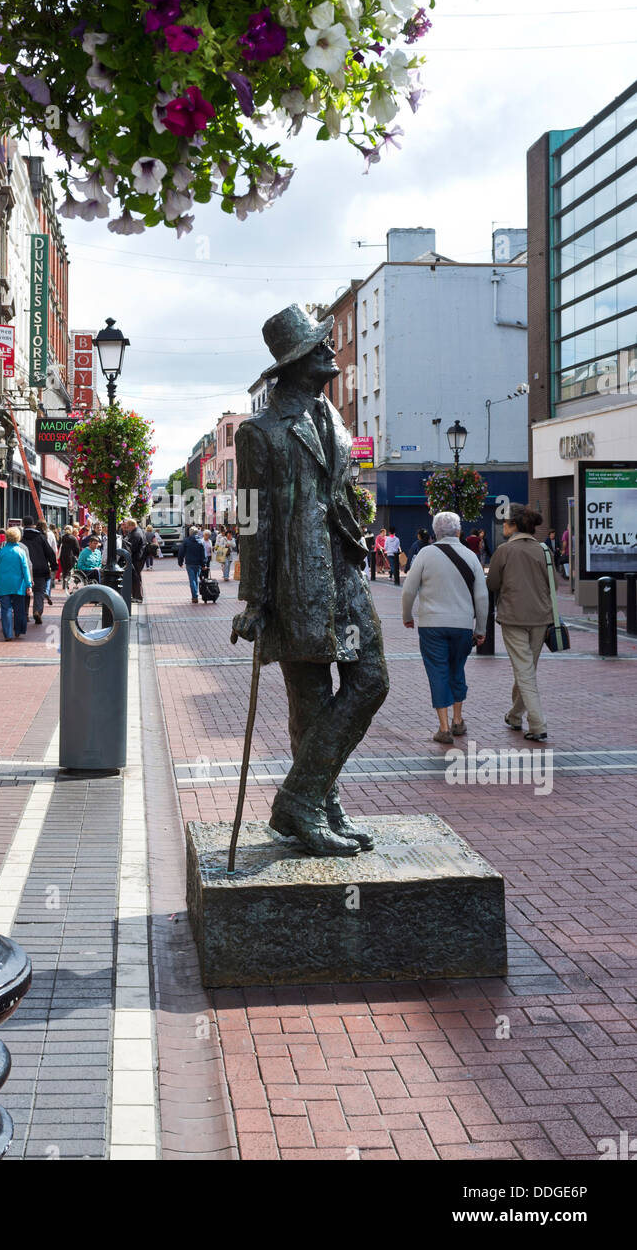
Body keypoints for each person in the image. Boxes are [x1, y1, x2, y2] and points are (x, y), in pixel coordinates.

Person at [233, 304, 388, 856]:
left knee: (371, 680)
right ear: (296, 364)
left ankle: (303, 798)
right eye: (319, 346)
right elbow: (252, 516)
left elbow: (339, 490)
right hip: (296, 582)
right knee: (312, 698)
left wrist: (358, 521)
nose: (330, 350)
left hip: (344, 573)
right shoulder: (260, 433)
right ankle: (320, 805)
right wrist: (253, 597)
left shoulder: (337, 420)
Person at [401, 511, 488, 744]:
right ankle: (458, 720)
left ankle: (443, 727)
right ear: (458, 531)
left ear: (435, 532)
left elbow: (409, 589)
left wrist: (407, 615)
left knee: (437, 672)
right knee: (456, 669)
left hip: (432, 625)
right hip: (462, 625)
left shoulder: (425, 554)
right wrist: (481, 628)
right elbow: (481, 596)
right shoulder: (470, 556)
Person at [486, 504, 554, 742]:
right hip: (541, 618)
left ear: (514, 525)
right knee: (527, 670)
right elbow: (551, 582)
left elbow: (492, 583)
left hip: (513, 617)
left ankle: (537, 723)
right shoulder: (544, 550)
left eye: (505, 521)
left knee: (524, 672)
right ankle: (515, 715)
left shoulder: (504, 551)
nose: (502, 525)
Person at [0, 526, 32, 640]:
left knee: (6, 609)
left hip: (3, 585)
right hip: (18, 585)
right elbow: (25, 569)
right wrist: (29, 585)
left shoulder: (1, 552)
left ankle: (7, 633)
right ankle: (18, 630)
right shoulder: (21, 552)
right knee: (19, 609)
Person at [20, 516, 58, 625]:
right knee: (39, 592)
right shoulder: (40, 537)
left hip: (25, 569)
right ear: (33, 524)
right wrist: (54, 565)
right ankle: (37, 611)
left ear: (23, 524)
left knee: (25, 592)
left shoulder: (20, 537)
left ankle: (25, 614)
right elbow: (49, 552)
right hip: (40, 569)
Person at [177, 526, 207, 603]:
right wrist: (204, 564)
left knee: (192, 580)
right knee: (196, 579)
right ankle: (195, 595)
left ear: (190, 533)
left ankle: (194, 596)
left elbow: (181, 552)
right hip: (198, 564)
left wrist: (180, 562)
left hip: (190, 563)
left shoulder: (186, 541)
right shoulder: (201, 541)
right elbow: (203, 554)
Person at [121, 517, 146, 602]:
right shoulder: (139, 531)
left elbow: (132, 547)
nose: (127, 529)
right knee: (136, 577)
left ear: (132, 526)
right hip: (139, 558)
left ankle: (138, 597)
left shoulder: (136, 534)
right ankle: (136, 595)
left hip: (136, 558)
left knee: (135, 577)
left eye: (128, 527)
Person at [39, 519, 58, 604]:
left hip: (38, 559)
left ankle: (41, 591)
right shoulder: (50, 534)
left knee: (39, 578)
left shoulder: (36, 535)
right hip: (48, 559)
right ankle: (47, 591)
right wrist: (55, 560)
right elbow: (54, 548)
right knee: (48, 577)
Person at [59, 525, 79, 590]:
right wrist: (76, 555)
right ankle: (67, 582)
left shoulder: (62, 537)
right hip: (71, 556)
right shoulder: (73, 538)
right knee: (69, 570)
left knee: (64, 570)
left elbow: (59, 546)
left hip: (63, 556)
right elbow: (77, 548)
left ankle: (64, 582)